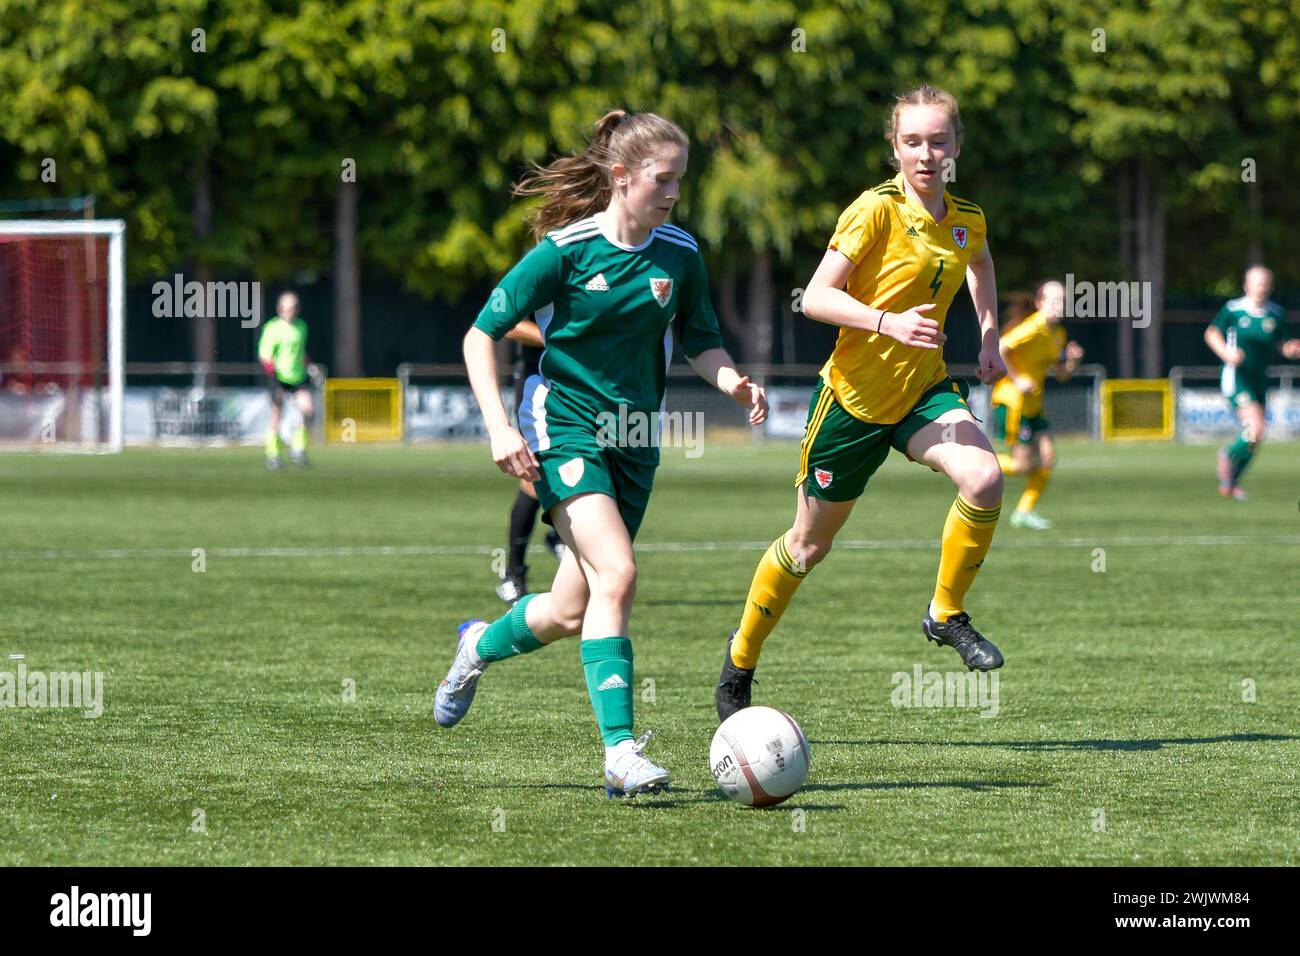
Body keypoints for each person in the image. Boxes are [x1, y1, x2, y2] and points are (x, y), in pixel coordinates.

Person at [434, 110, 768, 797]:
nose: (674, 193)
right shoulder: (566, 249)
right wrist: (501, 428)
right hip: (566, 428)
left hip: (637, 443)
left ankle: (477, 647)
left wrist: (731, 379)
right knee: (617, 574)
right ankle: (619, 752)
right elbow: (480, 334)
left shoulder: (680, 252)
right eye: (662, 180)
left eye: (681, 181)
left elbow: (702, 340)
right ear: (621, 176)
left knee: (566, 610)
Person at [716, 85, 1007, 722]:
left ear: (956, 146)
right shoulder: (873, 211)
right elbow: (816, 298)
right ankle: (741, 657)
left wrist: (990, 336)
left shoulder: (967, 217)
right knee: (807, 546)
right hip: (850, 405)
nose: (925, 154)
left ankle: (945, 614)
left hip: (923, 395)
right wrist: (887, 322)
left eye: (937, 141)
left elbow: (980, 263)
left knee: (984, 477)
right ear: (895, 147)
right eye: (912, 142)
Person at [990, 279, 1084, 529]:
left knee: (1047, 458)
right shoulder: (1033, 327)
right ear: (1040, 303)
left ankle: (1023, 512)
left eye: (1062, 301)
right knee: (1022, 465)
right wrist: (1018, 378)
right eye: (1053, 300)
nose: (1058, 306)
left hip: (1034, 405)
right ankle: (972, 463)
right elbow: (999, 349)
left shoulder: (1057, 334)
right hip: (1013, 402)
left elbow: (1062, 375)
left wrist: (1071, 362)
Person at [1204, 265, 1300, 500]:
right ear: (1247, 285)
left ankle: (1230, 482)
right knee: (1255, 428)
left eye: (1265, 283)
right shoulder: (1234, 310)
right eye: (1257, 283)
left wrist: (1292, 349)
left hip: (1259, 379)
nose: (1261, 288)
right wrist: (1226, 353)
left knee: (1256, 436)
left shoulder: (1275, 314)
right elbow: (1211, 333)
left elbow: (1283, 344)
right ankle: (1227, 454)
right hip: (1237, 378)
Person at [496, 319, 567, 604]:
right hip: (538, 393)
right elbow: (509, 323)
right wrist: (564, 338)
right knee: (533, 478)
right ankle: (513, 574)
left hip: (582, 393)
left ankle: (558, 535)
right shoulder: (543, 273)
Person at [258, 291, 314, 469]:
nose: (289, 312)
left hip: (298, 377)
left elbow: (301, 352)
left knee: (307, 409)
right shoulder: (272, 328)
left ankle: (297, 449)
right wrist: (274, 379)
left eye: (293, 308)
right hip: (279, 377)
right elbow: (265, 355)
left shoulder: (302, 327)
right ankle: (273, 453)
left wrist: (309, 365)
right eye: (286, 308)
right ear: (279, 309)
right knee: (276, 416)